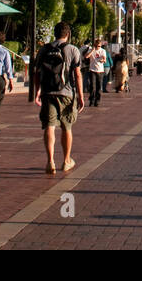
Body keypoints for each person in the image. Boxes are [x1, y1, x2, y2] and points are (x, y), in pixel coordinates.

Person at [31, 22, 85, 174]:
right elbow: (78, 74)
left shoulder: (45, 49)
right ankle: (66, 160)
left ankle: (50, 161)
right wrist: (81, 96)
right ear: (67, 34)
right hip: (67, 93)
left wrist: (37, 91)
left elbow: (36, 72)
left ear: (54, 33)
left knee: (49, 126)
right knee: (66, 127)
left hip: (48, 93)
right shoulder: (72, 49)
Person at [87, 39, 107, 107]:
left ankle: (97, 101)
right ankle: (91, 100)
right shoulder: (91, 50)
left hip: (100, 71)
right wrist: (92, 50)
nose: (98, 47)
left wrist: (103, 60)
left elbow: (104, 59)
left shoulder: (103, 51)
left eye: (99, 46)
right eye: (96, 46)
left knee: (98, 87)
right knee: (92, 86)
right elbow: (86, 56)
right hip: (92, 70)